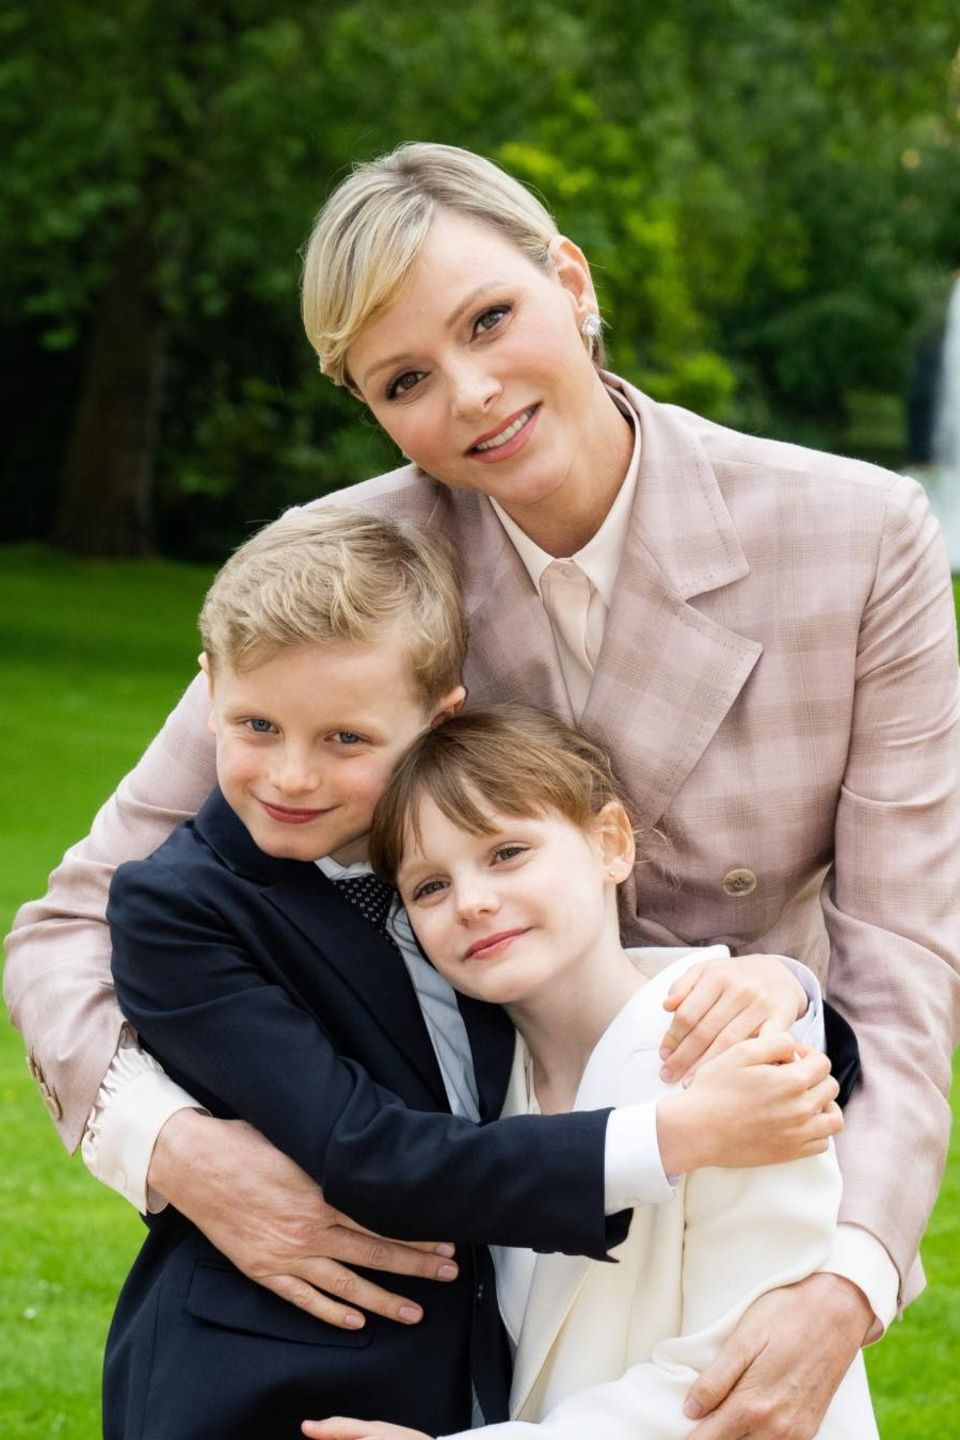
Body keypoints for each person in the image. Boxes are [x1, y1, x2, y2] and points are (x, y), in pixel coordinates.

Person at [5, 141, 959, 1438]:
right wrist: (179, 1153)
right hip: (463, 1210)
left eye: (490, 319)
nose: (471, 395)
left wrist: (852, 1278)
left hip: (741, 1196)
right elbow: (71, 925)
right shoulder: (350, 571)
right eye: (405, 380)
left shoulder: (857, 538)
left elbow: (903, 964)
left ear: (571, 278)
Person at [103, 506, 829, 1440]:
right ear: (208, 689)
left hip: (471, 1385)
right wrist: (676, 1136)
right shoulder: (178, 909)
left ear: (437, 718)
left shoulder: (461, 889)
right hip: (263, 1380)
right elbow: (363, 1149)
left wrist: (785, 989)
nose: (290, 776)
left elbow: (583, 1001)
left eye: (345, 739)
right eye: (256, 725)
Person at [299, 704, 878, 1440]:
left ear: (610, 844)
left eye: (507, 852)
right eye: (430, 887)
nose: (472, 902)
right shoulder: (465, 1095)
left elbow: (737, 1385)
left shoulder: (735, 1047)